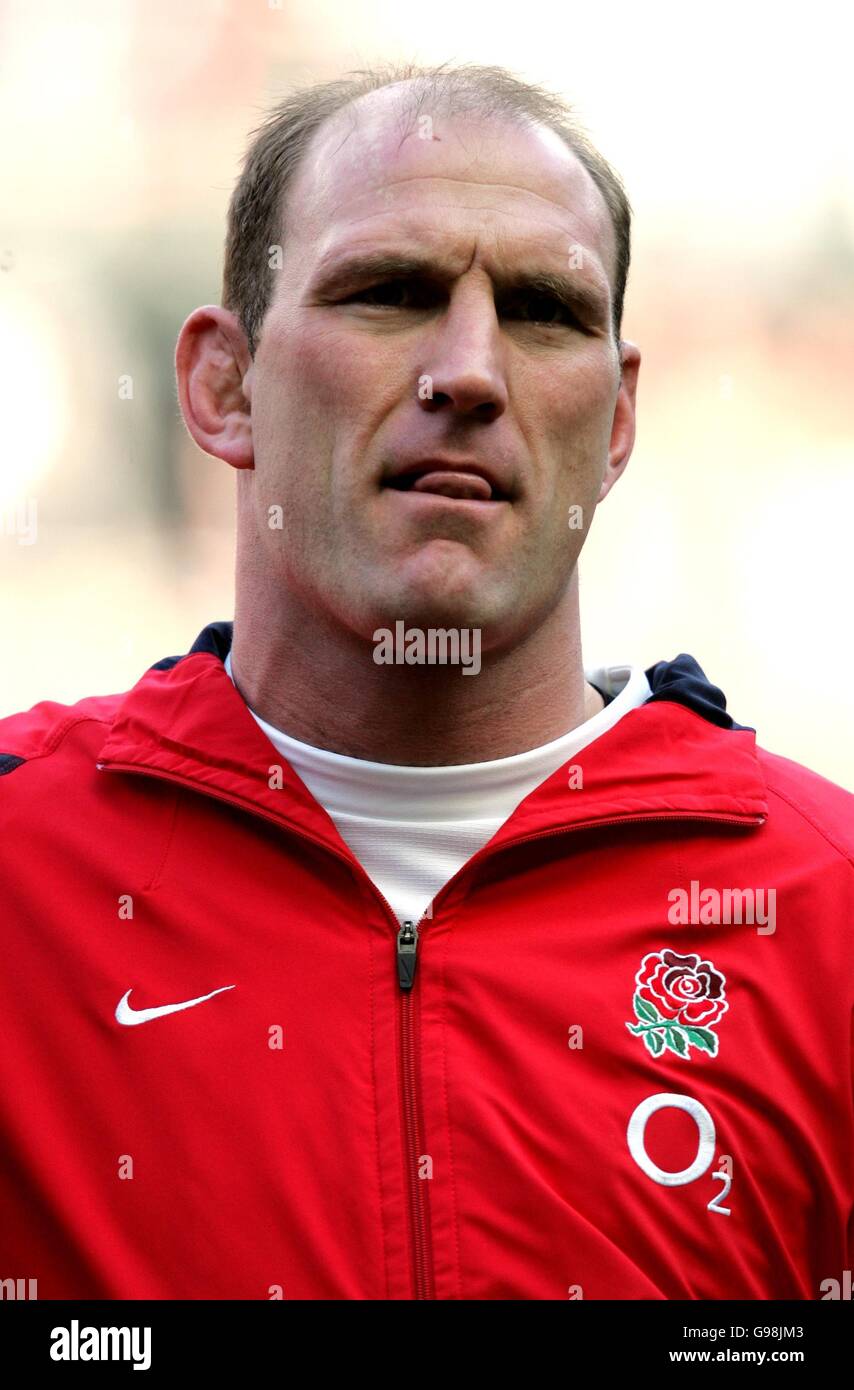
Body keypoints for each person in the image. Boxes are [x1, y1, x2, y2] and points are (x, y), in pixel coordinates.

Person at [1, 62, 851, 1302]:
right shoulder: (21, 876)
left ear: (615, 424)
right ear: (221, 385)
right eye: (390, 293)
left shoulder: (822, 910)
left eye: (544, 311)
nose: (469, 371)